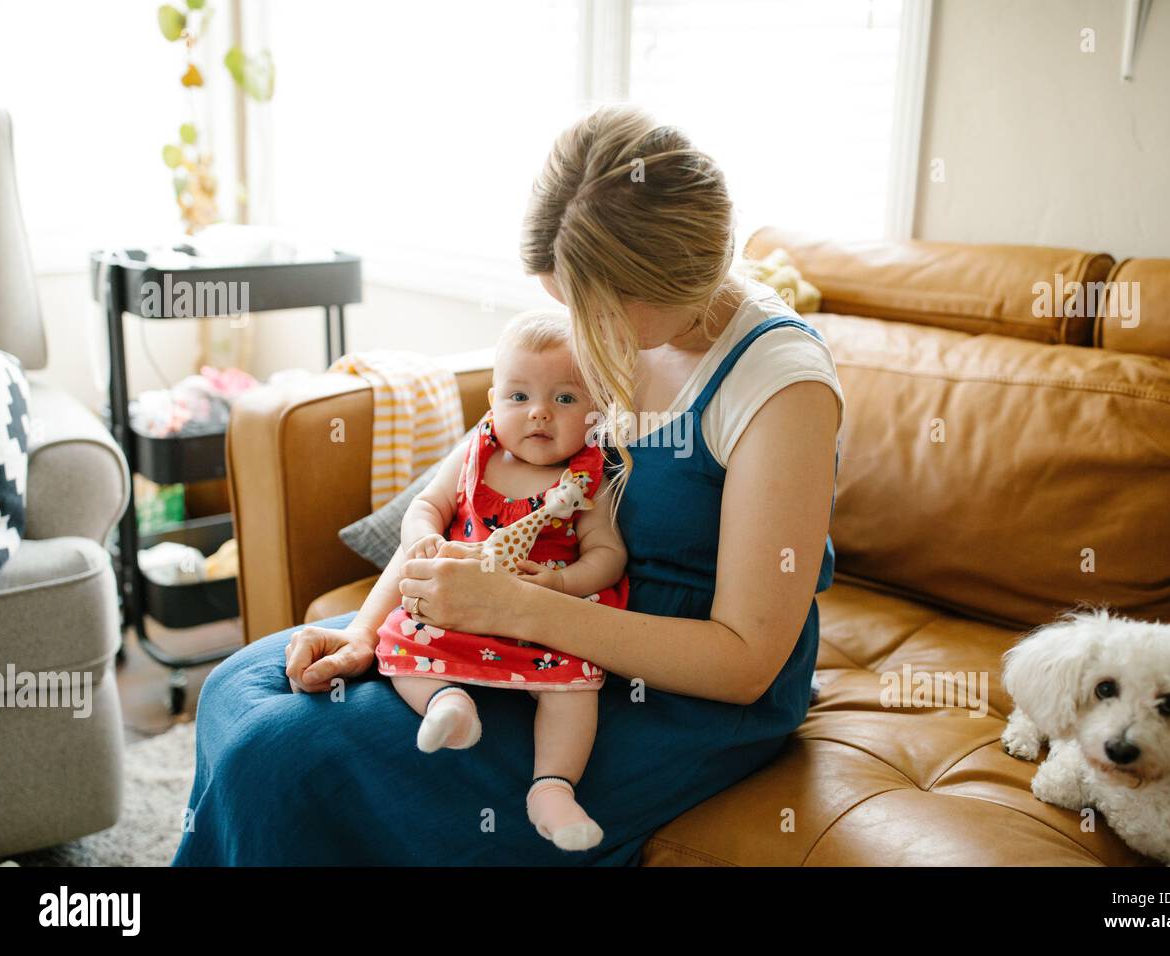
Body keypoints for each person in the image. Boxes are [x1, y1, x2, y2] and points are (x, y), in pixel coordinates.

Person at [172, 102, 845, 866]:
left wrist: (520, 606)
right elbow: (464, 480)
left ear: (661, 284)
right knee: (238, 689)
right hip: (535, 619)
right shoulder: (614, 324)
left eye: (589, 308)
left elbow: (745, 661)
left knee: (283, 760)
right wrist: (367, 631)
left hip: (675, 690)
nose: (577, 330)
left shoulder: (780, 385)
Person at [375, 309, 629, 852]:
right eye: (519, 397)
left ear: (596, 412)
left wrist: (559, 585)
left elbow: (608, 555)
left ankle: (552, 789)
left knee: (577, 687)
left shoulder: (585, 480)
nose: (539, 412)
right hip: (457, 605)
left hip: (541, 620)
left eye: (565, 398)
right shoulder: (474, 455)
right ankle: (449, 705)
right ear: (492, 403)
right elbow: (427, 504)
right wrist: (422, 537)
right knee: (396, 639)